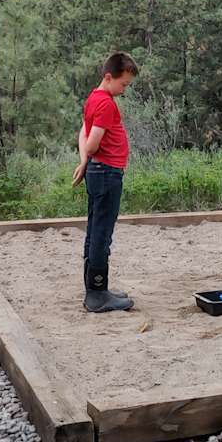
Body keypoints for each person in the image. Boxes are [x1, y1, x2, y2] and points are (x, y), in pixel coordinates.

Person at [71, 51, 140, 312]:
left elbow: (83, 132)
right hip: (107, 174)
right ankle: (97, 294)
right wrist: (86, 159)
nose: (124, 89)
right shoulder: (105, 103)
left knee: (96, 229)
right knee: (102, 233)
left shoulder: (95, 98)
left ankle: (96, 288)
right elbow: (91, 141)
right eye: (123, 84)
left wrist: (85, 162)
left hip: (100, 171)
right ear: (109, 77)